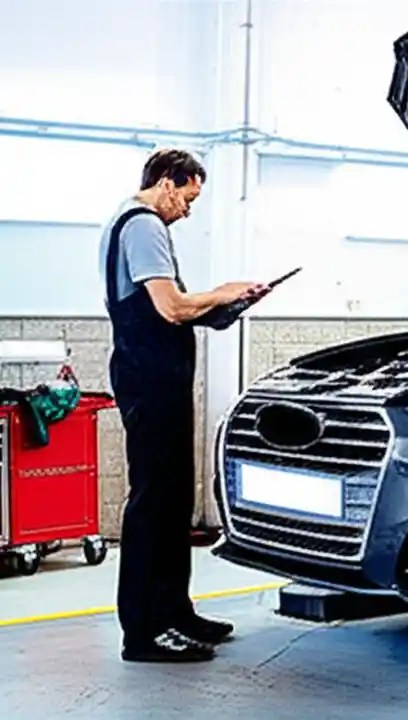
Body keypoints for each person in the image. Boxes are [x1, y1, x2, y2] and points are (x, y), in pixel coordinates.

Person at [98, 148, 268, 663]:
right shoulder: (144, 223)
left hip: (157, 377)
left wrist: (227, 308)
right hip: (150, 379)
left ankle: (174, 611)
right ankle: (144, 633)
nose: (189, 210)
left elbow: (172, 311)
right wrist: (222, 291)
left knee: (172, 498)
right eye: (189, 197)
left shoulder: (131, 224)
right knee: (153, 500)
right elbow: (170, 307)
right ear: (170, 183)